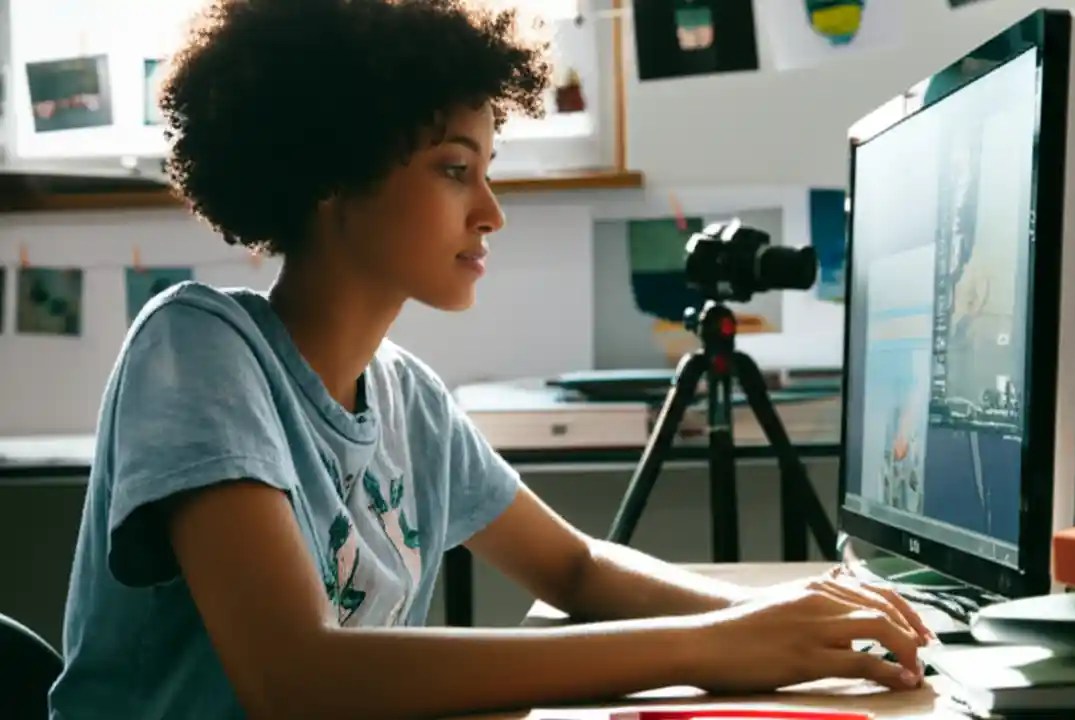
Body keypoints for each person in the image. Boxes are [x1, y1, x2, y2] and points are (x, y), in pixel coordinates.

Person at [49, 1, 932, 718]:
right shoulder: (198, 347)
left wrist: (777, 618)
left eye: (488, 169)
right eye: (451, 169)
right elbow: (297, 679)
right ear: (329, 173)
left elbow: (576, 568)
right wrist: (709, 650)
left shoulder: (409, 398)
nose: (490, 212)